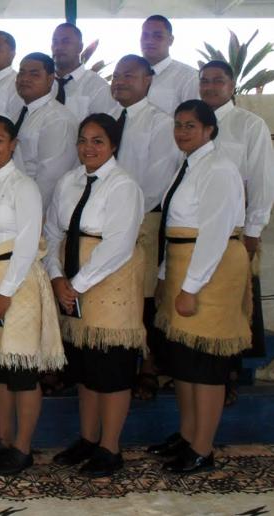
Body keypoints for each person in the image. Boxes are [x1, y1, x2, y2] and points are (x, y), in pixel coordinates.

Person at [148, 100, 250, 474]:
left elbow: (214, 234)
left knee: (206, 366)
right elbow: (171, 230)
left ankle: (202, 448)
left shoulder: (219, 169)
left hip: (211, 273)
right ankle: (188, 435)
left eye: (191, 125)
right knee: (185, 363)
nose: (182, 131)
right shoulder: (188, 165)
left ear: (209, 130)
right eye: (178, 125)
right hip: (182, 265)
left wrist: (191, 287)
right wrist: (163, 275)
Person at [44, 114, 146, 477]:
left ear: (114, 145)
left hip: (108, 283)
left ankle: (110, 447)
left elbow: (118, 245)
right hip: (71, 279)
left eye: (98, 141)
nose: (88, 147)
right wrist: (57, 278)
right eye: (84, 140)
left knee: (112, 368)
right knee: (86, 368)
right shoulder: (69, 181)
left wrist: (78, 285)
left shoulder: (123, 185)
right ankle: (88, 439)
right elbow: (54, 232)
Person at [0, 116, 63, 476]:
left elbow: (26, 244)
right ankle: (3, 440)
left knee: (21, 369)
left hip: (16, 285)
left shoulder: (24, 187)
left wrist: (5, 293)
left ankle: (22, 446)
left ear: (13, 145)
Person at [199, 60, 274, 405]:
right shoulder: (192, 125)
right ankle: (199, 372)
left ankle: (228, 375)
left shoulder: (249, 125)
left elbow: (261, 180)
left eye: (218, 81)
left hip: (235, 230)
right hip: (195, 230)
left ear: (232, 86)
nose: (211, 87)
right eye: (205, 81)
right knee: (200, 303)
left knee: (233, 305)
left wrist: (254, 230)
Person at [108, 54, 179, 402]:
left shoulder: (160, 123)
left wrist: (126, 214)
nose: (120, 81)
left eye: (129, 75)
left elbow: (158, 179)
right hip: (107, 222)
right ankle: (118, 363)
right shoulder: (108, 121)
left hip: (143, 219)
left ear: (148, 79)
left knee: (145, 293)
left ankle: (148, 367)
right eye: (116, 75)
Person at [12, 52, 78, 207]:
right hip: (13, 199)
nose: (25, 79)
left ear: (50, 79)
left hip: (37, 207)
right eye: (21, 73)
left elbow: (51, 177)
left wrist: (31, 211)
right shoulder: (19, 114)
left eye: (34, 74)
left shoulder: (58, 118)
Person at [50, 23, 116, 122]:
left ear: (80, 47)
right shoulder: (43, 84)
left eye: (65, 41)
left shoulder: (98, 87)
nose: (58, 47)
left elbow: (105, 130)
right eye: (55, 42)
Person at [140, 15, 199, 115]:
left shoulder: (188, 76)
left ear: (171, 40)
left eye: (158, 36)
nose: (149, 41)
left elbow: (194, 118)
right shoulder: (130, 75)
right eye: (145, 35)